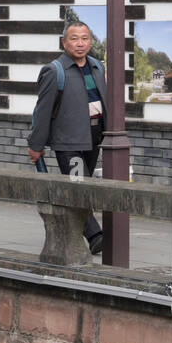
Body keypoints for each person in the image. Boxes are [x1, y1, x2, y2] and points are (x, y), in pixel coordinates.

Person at [27, 22, 107, 255]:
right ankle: (95, 235)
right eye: (74, 39)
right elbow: (42, 110)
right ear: (64, 42)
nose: (80, 43)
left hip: (94, 137)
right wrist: (36, 144)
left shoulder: (97, 67)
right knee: (77, 186)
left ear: (90, 41)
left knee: (84, 185)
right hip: (68, 141)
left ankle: (72, 234)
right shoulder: (54, 70)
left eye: (84, 38)